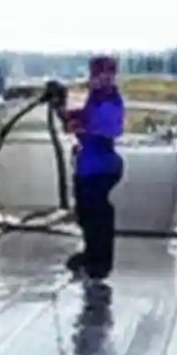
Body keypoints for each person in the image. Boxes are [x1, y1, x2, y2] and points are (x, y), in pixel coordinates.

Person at [55, 56, 125, 282]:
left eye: (107, 76)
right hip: (88, 165)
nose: (101, 81)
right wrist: (60, 107)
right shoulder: (94, 99)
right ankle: (91, 255)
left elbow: (90, 126)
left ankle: (99, 263)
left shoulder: (110, 102)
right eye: (98, 76)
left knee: (97, 215)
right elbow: (73, 122)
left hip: (101, 167)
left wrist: (72, 120)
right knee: (87, 215)